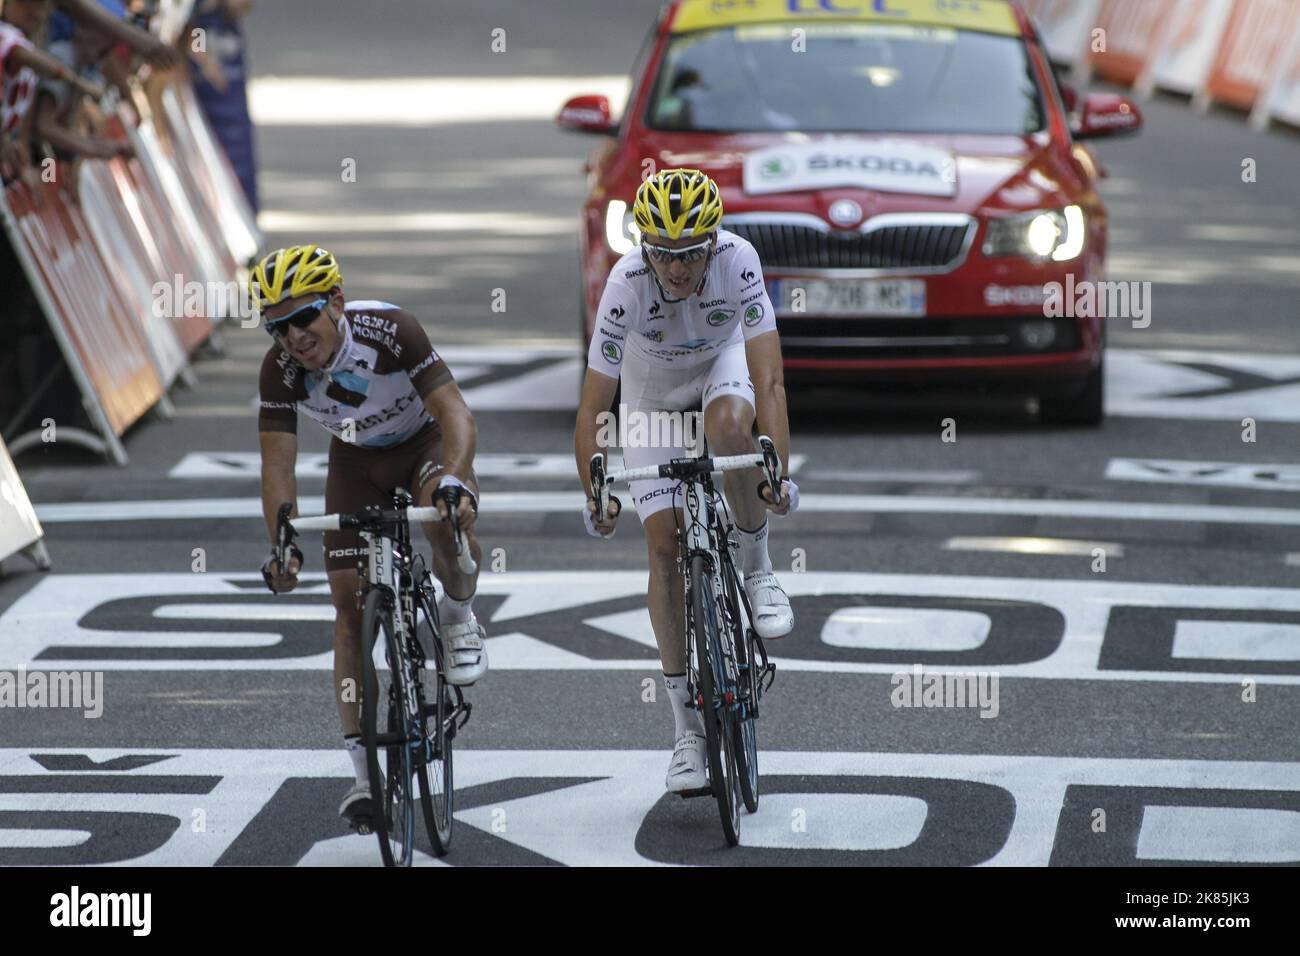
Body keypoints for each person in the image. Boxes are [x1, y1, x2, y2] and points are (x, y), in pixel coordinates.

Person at [573, 168, 799, 793]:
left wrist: (775, 467)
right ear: (644, 245)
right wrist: (595, 487)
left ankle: (756, 571)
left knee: (730, 427)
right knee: (665, 544)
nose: (677, 269)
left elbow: (770, 379)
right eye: (664, 253)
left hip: (718, 372)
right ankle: (687, 733)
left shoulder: (739, 260)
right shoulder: (625, 282)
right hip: (652, 399)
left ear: (714, 240)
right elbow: (597, 402)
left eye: (692, 252)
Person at [252, 244, 488, 829]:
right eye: (276, 326)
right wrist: (283, 543)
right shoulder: (279, 372)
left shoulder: (391, 329)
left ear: (335, 302)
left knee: (443, 518)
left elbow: (456, 413)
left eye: (302, 317)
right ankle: (364, 776)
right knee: (347, 605)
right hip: (357, 463)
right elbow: (277, 466)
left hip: (425, 445)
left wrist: (455, 478)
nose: (292, 337)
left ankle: (457, 614)